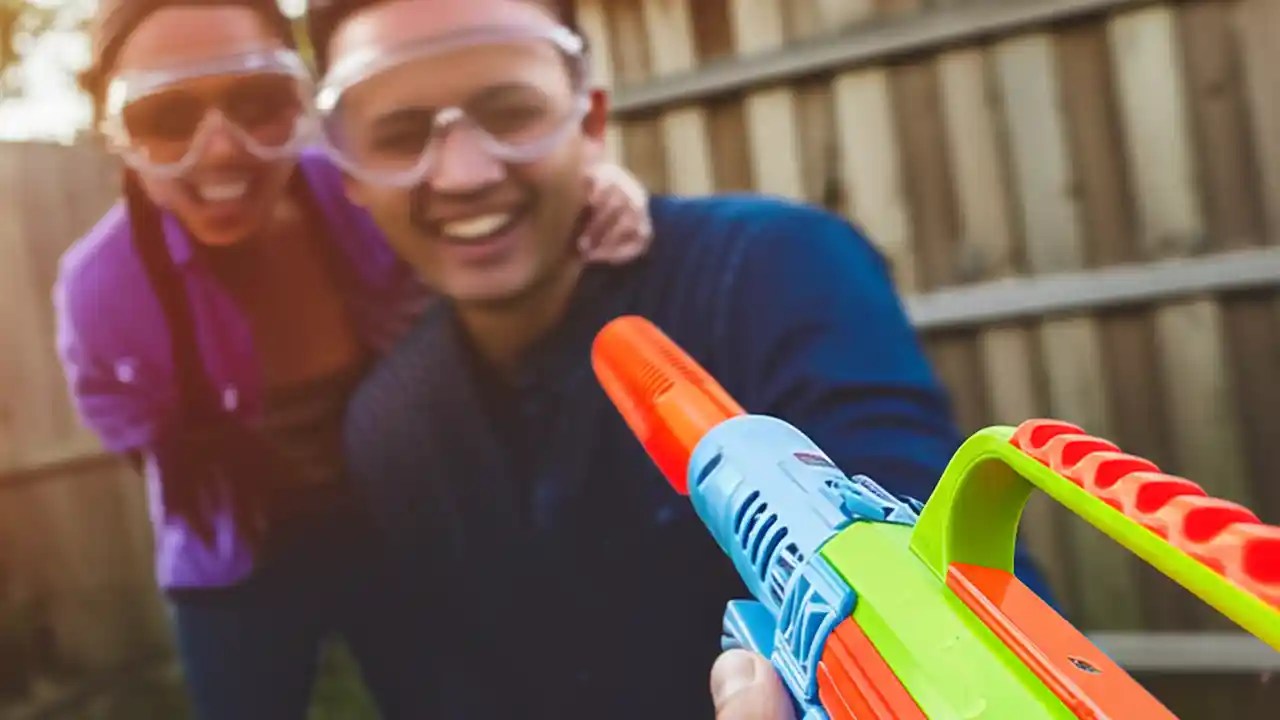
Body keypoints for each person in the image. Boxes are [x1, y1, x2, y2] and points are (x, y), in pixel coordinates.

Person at [310, 0, 1057, 717]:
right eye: (401, 135)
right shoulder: (388, 425)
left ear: (590, 121)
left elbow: (956, 607)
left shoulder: (776, 271)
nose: (464, 172)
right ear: (348, 174)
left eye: (510, 114)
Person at [52, 1, 652, 717]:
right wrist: (204, 469)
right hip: (234, 555)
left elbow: (486, 209)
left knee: (446, 697)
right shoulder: (101, 286)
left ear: (304, 100)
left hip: (388, 520)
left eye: (257, 103)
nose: (220, 152)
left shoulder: (363, 191)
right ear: (111, 132)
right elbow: (116, 412)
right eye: (166, 118)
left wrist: (601, 186)